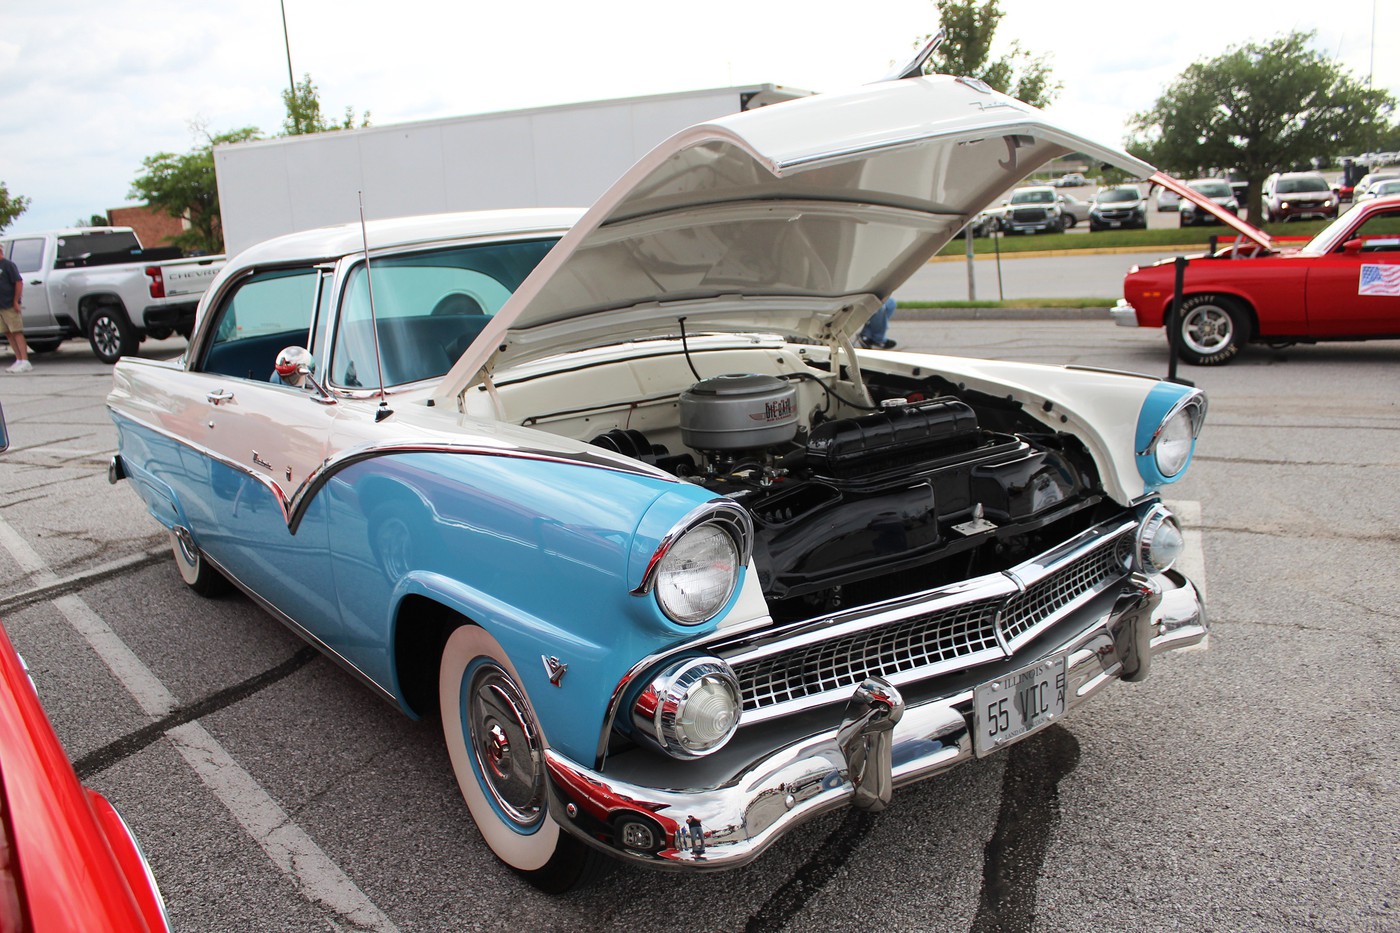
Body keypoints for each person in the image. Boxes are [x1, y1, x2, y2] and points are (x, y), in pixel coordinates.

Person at [0, 244, 31, 373]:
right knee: (8, 333)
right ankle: (18, 359)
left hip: (9, 304)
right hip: (0, 306)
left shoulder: (8, 265)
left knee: (17, 331)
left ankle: (25, 360)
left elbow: (18, 282)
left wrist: (15, 301)